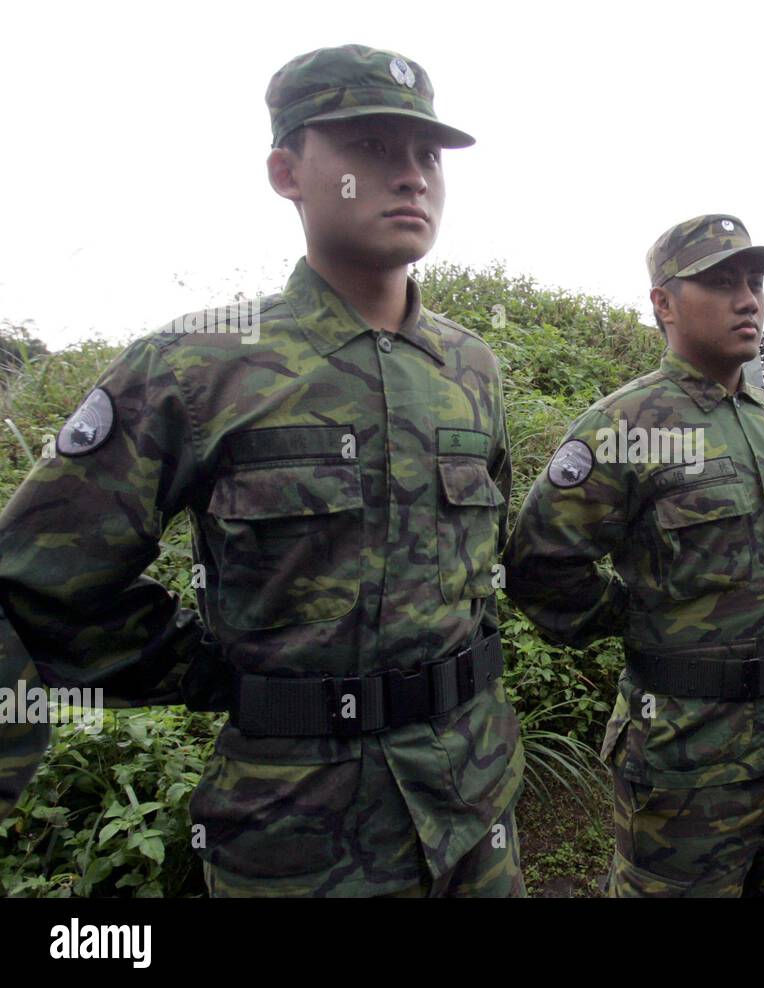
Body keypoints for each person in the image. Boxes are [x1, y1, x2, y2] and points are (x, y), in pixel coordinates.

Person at [0, 44, 524, 897]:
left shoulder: (472, 370)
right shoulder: (198, 366)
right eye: (371, 149)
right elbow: (38, 582)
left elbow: (480, 572)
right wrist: (211, 670)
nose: (411, 176)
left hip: (475, 803)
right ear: (287, 171)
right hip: (298, 836)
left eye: (427, 154)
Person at [502, 214, 764, 897]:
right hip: (686, 759)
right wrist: (631, 617)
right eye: (720, 281)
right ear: (663, 303)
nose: (748, 299)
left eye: (754, 282)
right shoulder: (626, 425)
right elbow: (539, 562)